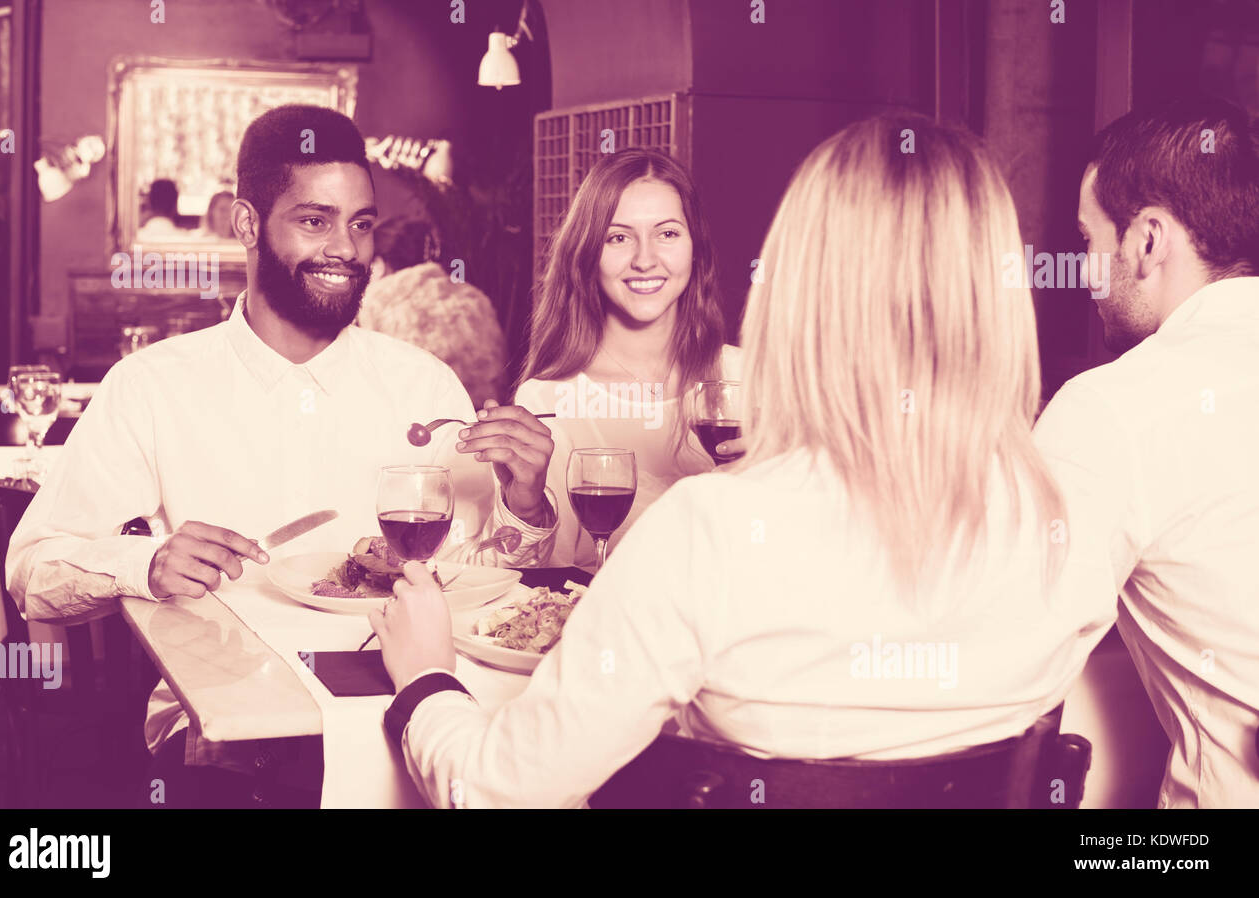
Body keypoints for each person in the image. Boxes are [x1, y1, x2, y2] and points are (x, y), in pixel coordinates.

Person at [367, 115, 1114, 808]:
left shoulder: (707, 533)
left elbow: (497, 790)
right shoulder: (1075, 524)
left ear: (798, 283)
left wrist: (428, 680)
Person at [6, 104, 558, 806]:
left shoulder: (423, 381)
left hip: (415, 708)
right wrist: (145, 561)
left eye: (360, 223)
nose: (346, 249)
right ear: (246, 225)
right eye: (313, 220)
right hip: (236, 743)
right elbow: (33, 569)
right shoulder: (154, 385)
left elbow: (487, 581)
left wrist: (525, 503)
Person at [1034, 95, 1259, 808]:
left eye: (1089, 240)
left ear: (1149, 240)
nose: (1086, 274)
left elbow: (1015, 645)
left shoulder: (1112, 406)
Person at [515, 148, 739, 567]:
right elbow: (542, 581)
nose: (644, 259)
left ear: (696, 247)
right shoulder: (546, 400)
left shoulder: (750, 380)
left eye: (667, 233)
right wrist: (525, 506)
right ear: (587, 255)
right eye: (618, 237)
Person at [357, 218, 508, 408]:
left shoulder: (377, 301)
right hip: (476, 418)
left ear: (377, 265)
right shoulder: (473, 298)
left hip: (415, 424)